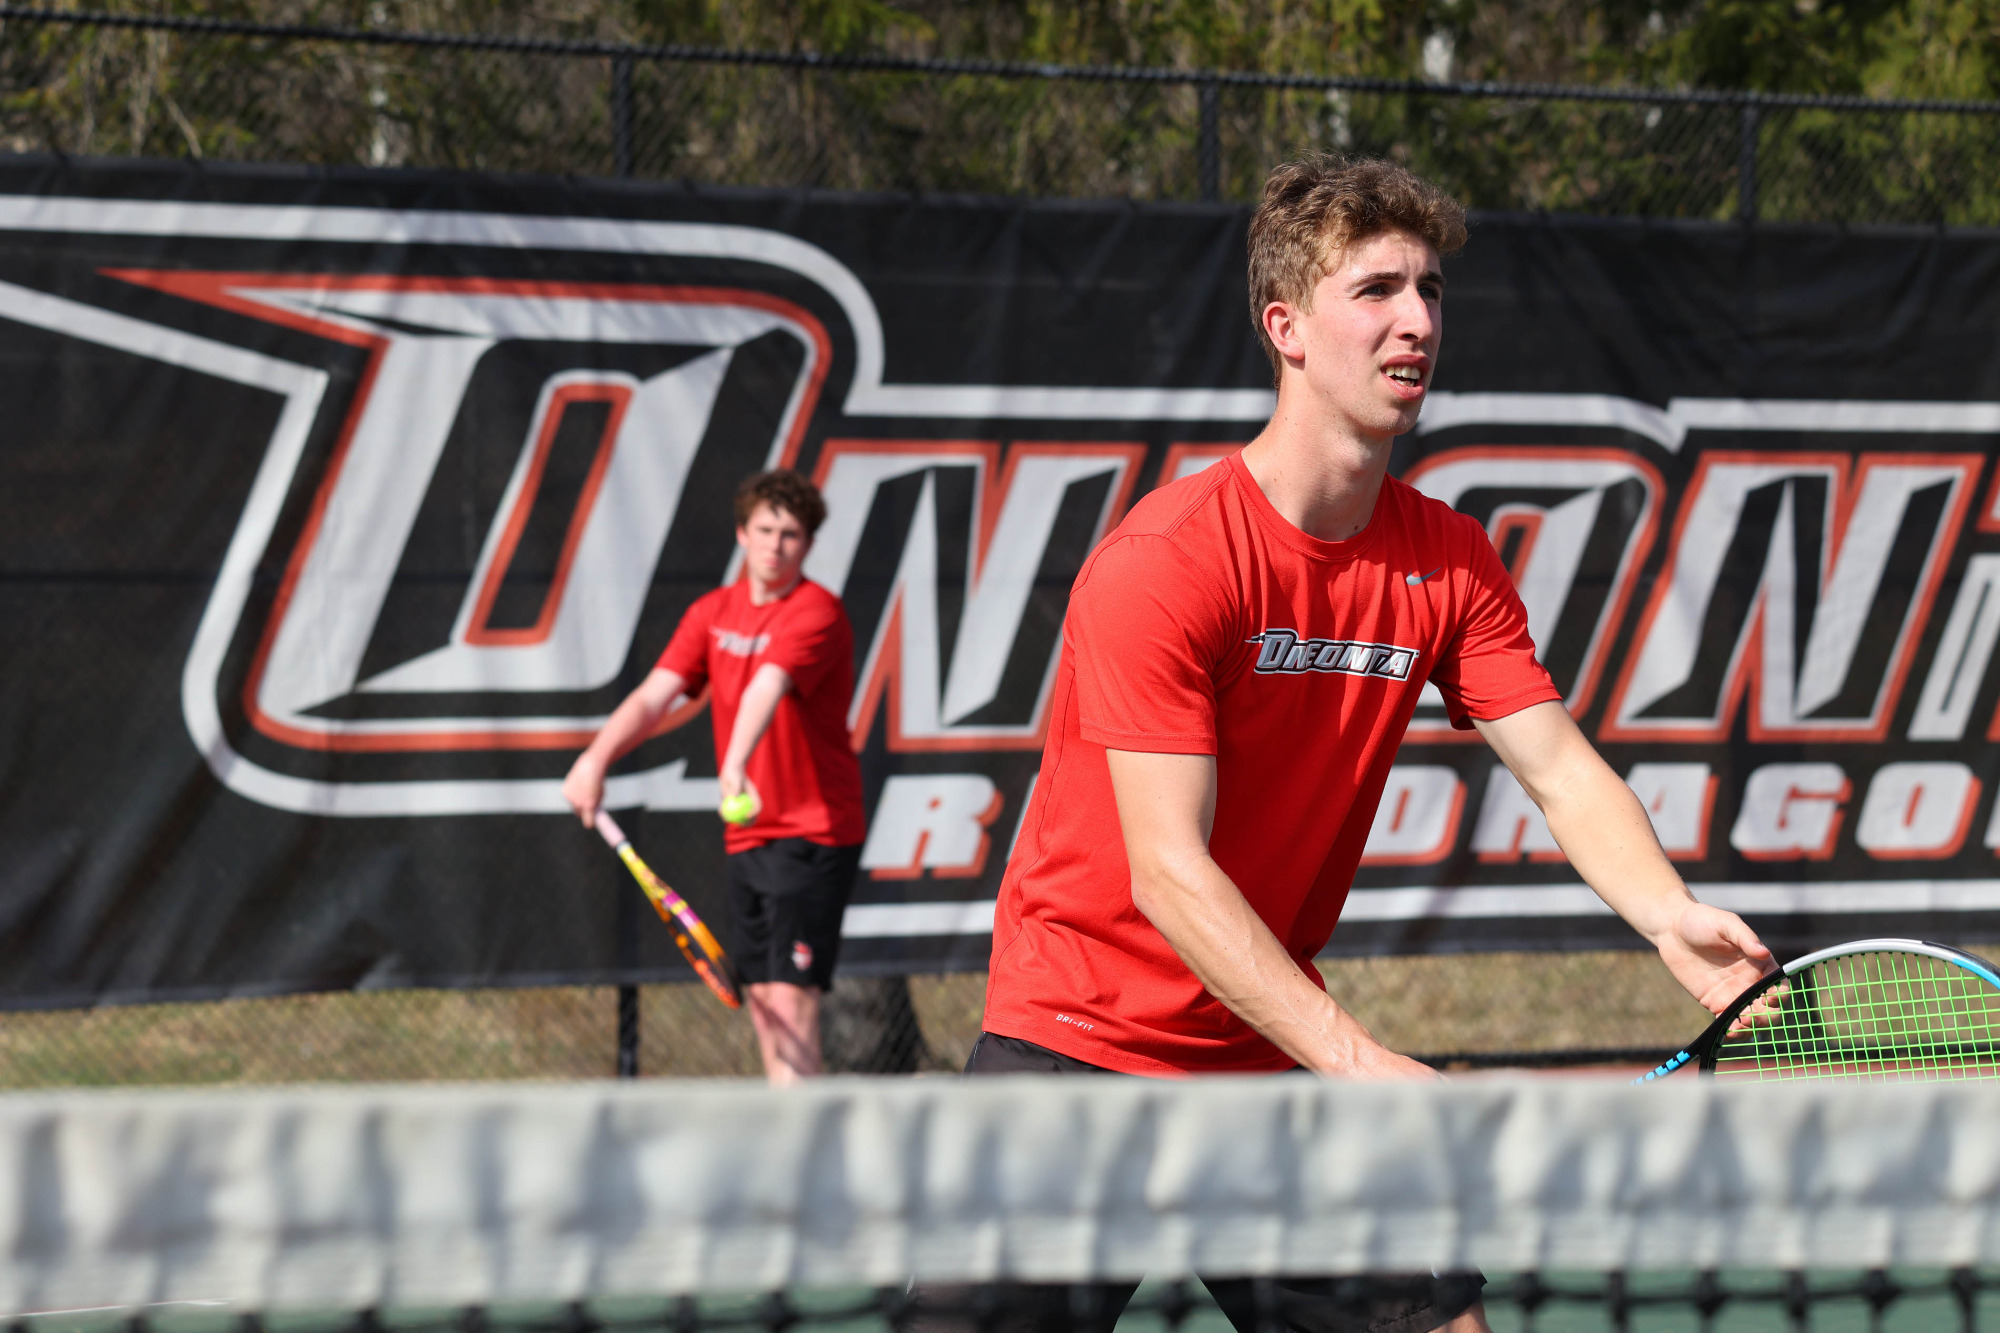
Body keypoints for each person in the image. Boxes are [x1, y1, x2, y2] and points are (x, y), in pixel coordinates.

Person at [954, 156, 1778, 1332]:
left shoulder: (1447, 560)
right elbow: (1167, 872)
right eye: (1376, 289)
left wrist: (1666, 915)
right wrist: (1349, 1057)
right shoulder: (1166, 562)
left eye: (1430, 291)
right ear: (1284, 327)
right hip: (1076, 1055)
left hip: (1261, 1058)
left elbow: (1553, 765)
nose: (1415, 321)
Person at [563, 469, 865, 1085]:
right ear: (741, 533)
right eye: (765, 530)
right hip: (750, 833)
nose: (776, 546)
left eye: (791, 535)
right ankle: (789, 1130)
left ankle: (803, 1147)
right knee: (760, 997)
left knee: (791, 997)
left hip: (812, 832)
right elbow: (655, 696)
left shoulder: (818, 612)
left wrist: (731, 765)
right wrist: (594, 760)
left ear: (806, 546)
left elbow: (766, 687)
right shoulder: (711, 612)